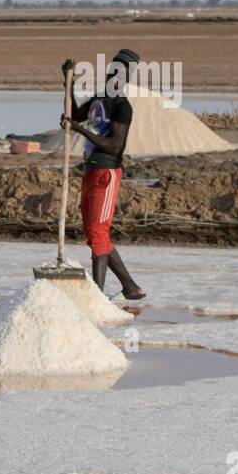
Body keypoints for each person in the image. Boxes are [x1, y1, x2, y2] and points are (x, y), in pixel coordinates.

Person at [61, 49, 146, 302]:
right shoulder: (99, 97)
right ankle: (130, 288)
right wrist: (67, 83)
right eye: (113, 70)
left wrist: (79, 130)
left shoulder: (122, 106)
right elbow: (75, 115)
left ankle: (97, 297)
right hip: (90, 169)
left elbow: (114, 145)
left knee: (98, 231)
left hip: (106, 172)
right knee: (94, 233)